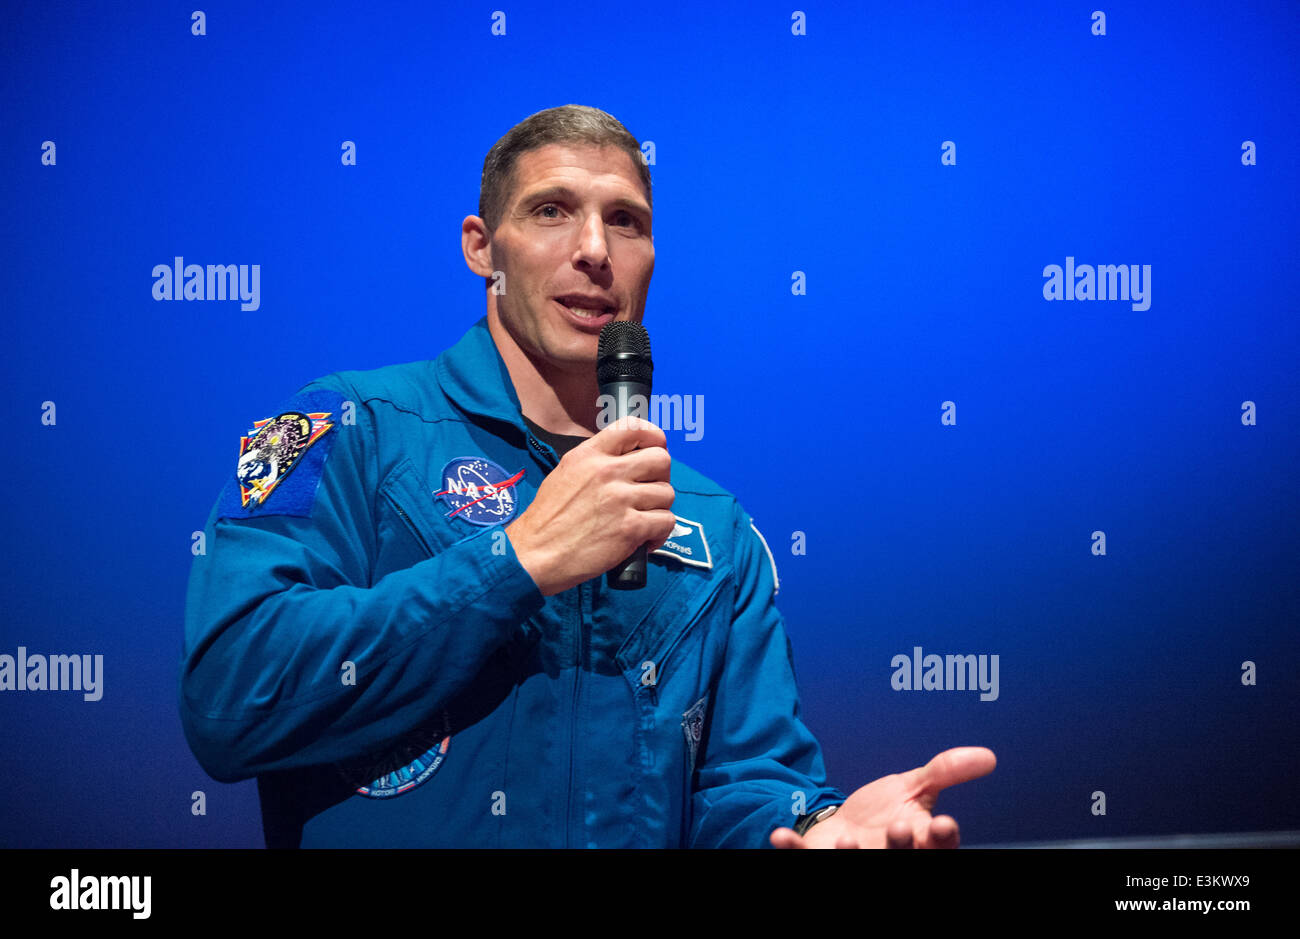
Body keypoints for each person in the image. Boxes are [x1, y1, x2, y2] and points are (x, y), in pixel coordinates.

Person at [180, 104, 996, 848]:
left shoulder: (716, 527)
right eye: (551, 211)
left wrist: (814, 826)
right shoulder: (328, 427)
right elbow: (227, 698)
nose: (596, 250)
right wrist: (518, 558)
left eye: (626, 223)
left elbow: (746, 788)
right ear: (480, 247)